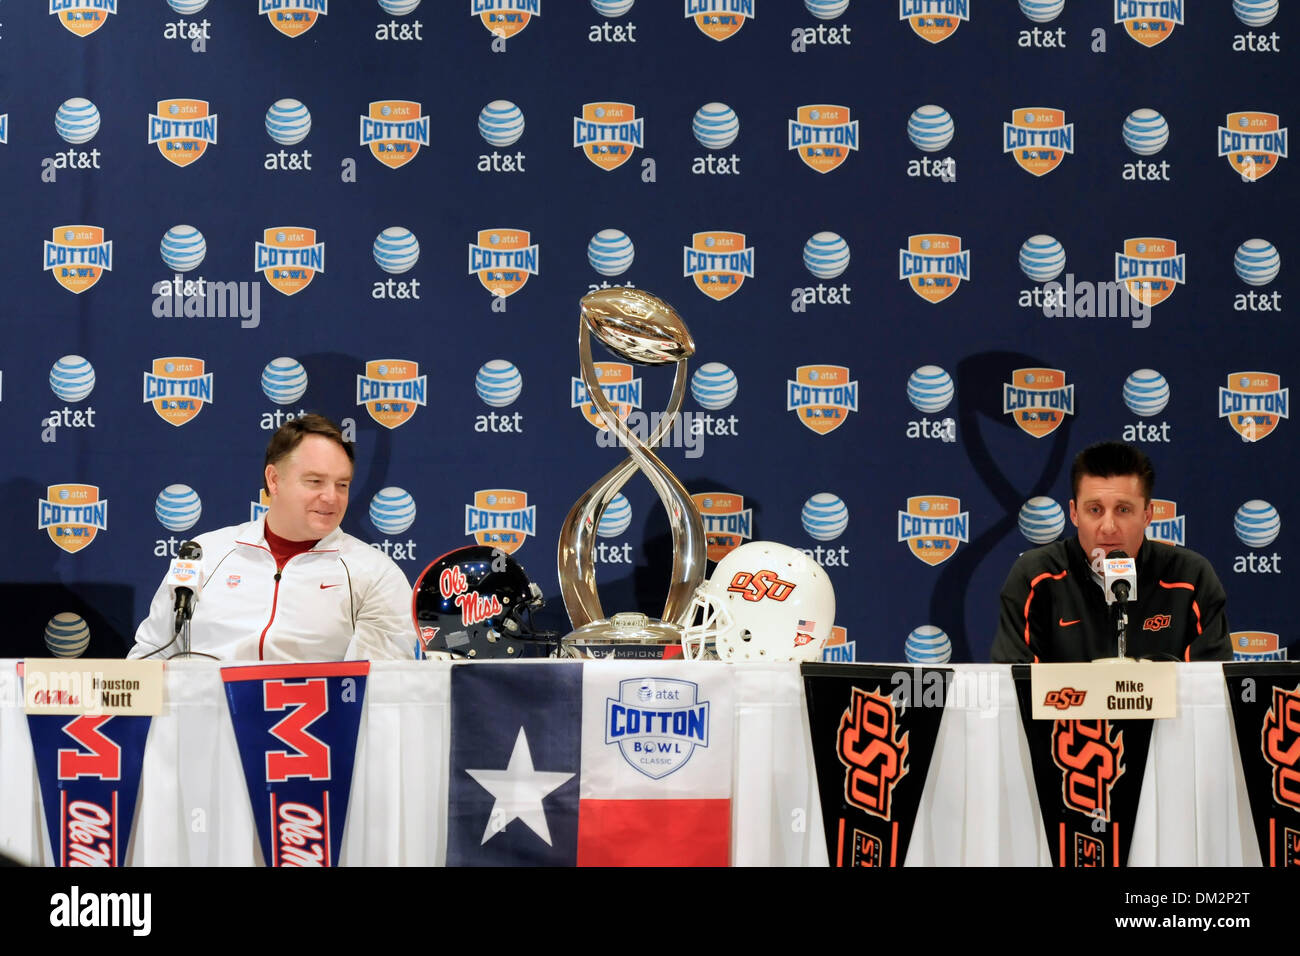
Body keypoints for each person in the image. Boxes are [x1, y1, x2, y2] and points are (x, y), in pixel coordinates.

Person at [129, 414, 414, 661]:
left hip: (314, 722)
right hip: (204, 720)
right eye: (315, 481)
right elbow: (152, 654)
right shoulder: (204, 553)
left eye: (342, 484)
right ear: (274, 480)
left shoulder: (376, 573)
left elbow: (380, 685)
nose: (331, 497)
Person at [991, 441, 1230, 663]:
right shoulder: (1036, 577)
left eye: (1123, 510)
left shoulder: (1190, 578)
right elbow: (1015, 685)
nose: (1108, 527)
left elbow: (1208, 690)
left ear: (1147, 514)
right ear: (1074, 513)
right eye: (1095, 509)